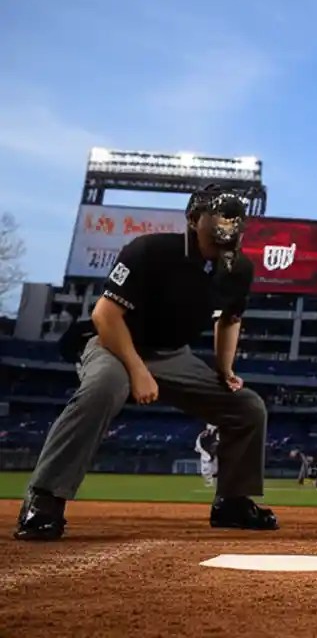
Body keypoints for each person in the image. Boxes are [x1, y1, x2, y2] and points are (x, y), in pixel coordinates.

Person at [14, 185, 279, 540]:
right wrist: (137, 370)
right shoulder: (149, 251)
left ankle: (231, 502)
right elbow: (105, 316)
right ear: (192, 219)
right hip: (115, 343)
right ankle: (44, 499)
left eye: (234, 219)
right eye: (219, 217)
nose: (227, 226)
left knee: (247, 407)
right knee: (104, 387)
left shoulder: (238, 269)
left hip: (172, 355)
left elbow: (229, 319)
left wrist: (225, 370)